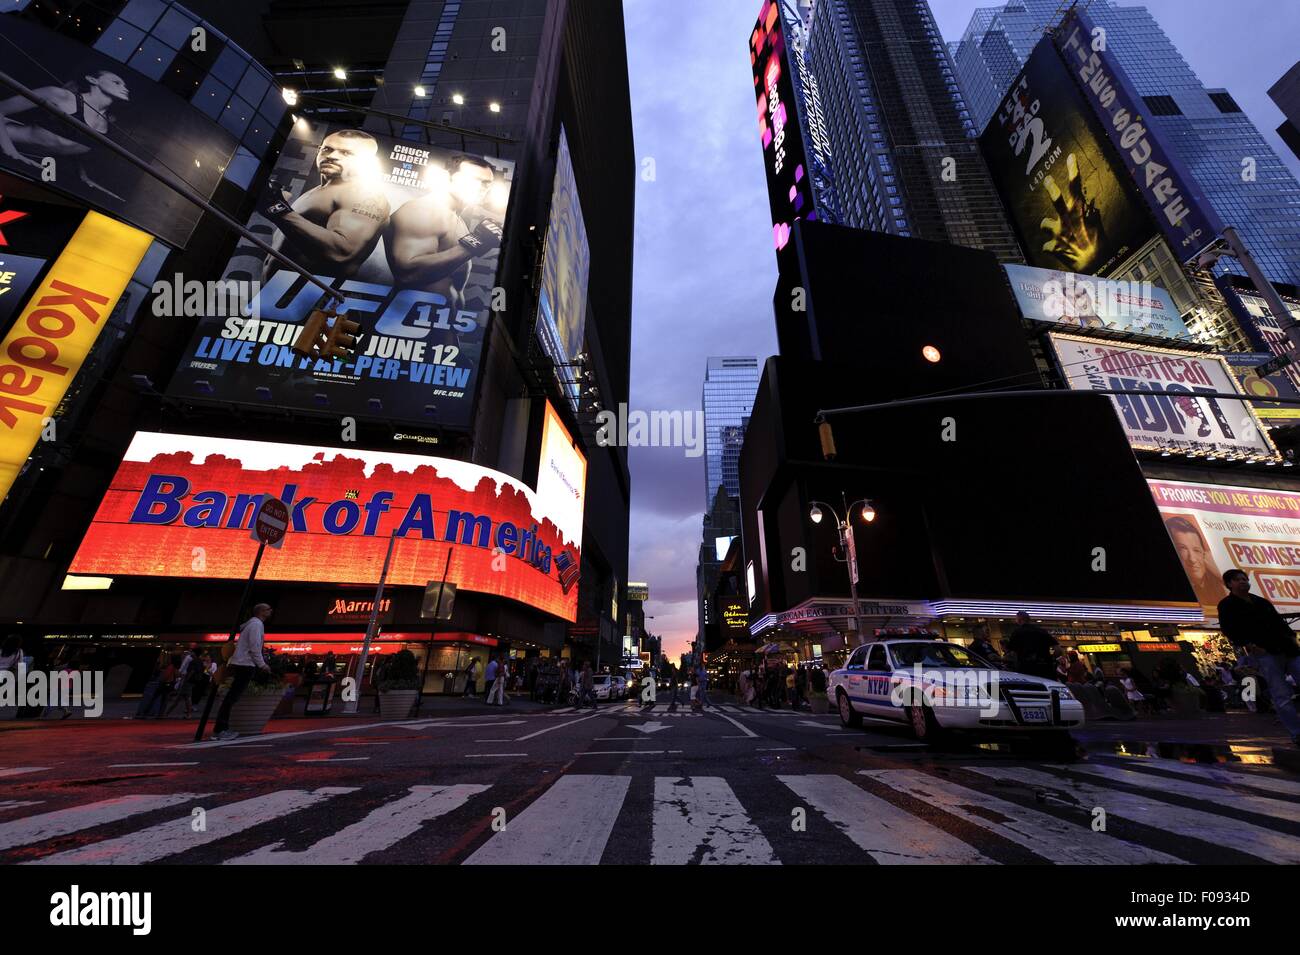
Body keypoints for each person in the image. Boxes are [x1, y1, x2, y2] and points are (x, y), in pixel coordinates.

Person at [384, 154, 504, 313]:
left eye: (486, 183)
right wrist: (475, 243)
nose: (481, 187)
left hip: (441, 327)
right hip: (408, 324)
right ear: (447, 177)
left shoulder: (457, 220)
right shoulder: (424, 210)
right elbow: (407, 274)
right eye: (473, 179)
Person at [0, 69, 129, 201]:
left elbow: (72, 144)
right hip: (7, 146)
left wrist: (82, 175)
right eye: (117, 82)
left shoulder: (108, 122)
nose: (125, 88)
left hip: (33, 161)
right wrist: (11, 153)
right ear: (92, 79)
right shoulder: (60, 95)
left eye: (125, 86)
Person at [1217, 569, 1300, 744]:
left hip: (1288, 648)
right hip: (1265, 652)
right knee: (1280, 693)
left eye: (1245, 579)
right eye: (1238, 580)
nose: (1243, 582)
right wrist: (1249, 645)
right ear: (1229, 584)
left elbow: (1280, 622)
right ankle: (1296, 732)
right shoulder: (1227, 605)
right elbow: (1229, 629)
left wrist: (1292, 637)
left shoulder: (1261, 601)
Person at [212, 604, 273, 740]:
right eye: (268, 609)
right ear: (261, 612)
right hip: (246, 664)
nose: (271, 611)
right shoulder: (257, 625)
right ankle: (221, 729)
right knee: (232, 697)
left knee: (232, 697)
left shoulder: (251, 624)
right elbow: (255, 646)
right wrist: (262, 664)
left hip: (241, 663)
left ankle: (221, 728)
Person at [1165, 516, 1228, 608]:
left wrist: (1218, 575)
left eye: (1196, 550)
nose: (1192, 559)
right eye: (1182, 548)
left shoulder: (1219, 586)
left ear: (1205, 554)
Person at [1006, 612, 1059, 680]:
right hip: (1045, 666)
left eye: (1016, 619)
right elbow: (1056, 648)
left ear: (1019, 620)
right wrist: (1051, 656)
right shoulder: (1042, 631)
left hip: (1026, 667)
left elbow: (1011, 649)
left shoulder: (1017, 632)